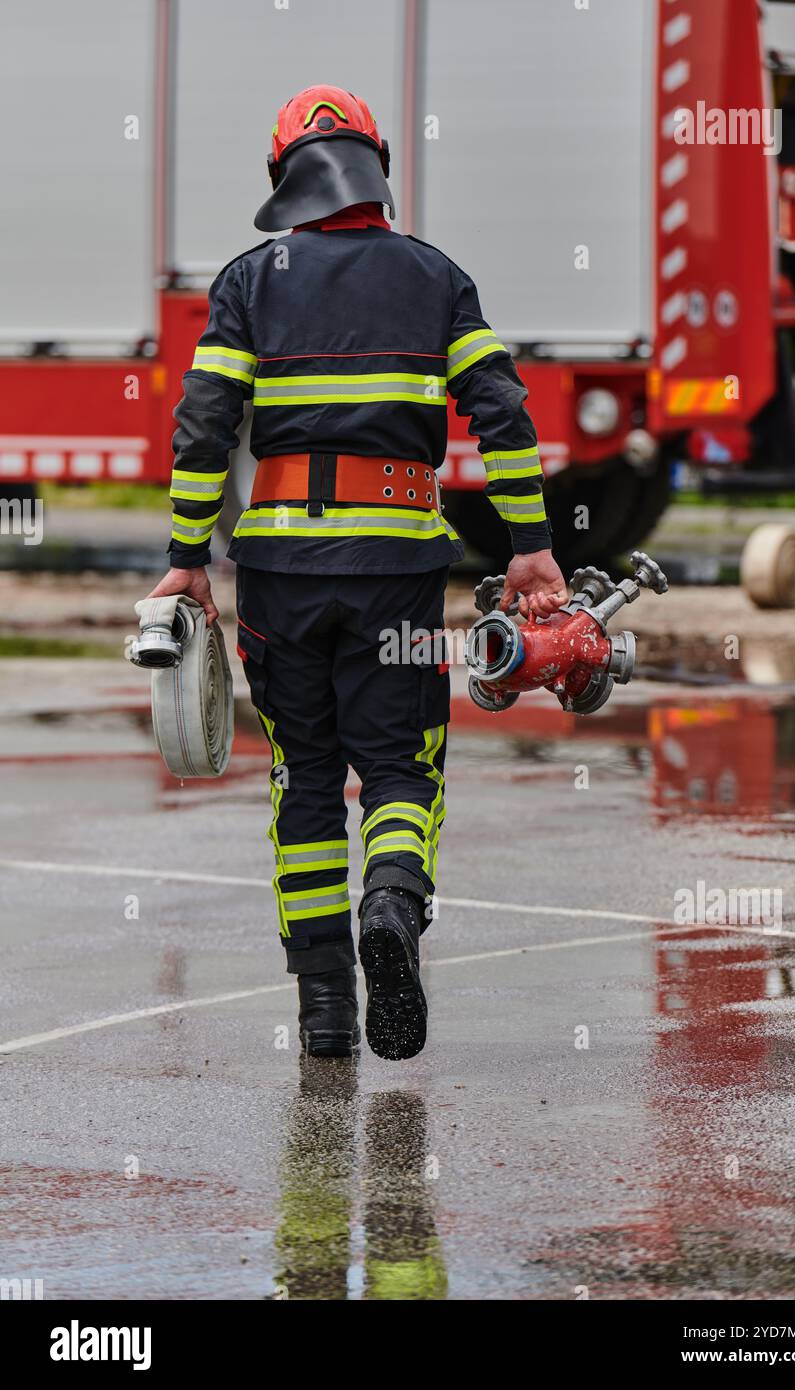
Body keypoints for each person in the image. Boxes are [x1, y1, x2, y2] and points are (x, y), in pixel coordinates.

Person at [147, 85, 566, 1061]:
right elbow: (501, 412)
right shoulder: (435, 279)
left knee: (300, 783)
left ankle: (324, 1010)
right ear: (378, 165)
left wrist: (184, 560)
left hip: (279, 574)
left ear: (281, 175)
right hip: (398, 576)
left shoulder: (250, 280)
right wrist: (530, 545)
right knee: (397, 766)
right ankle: (391, 900)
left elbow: (203, 424)